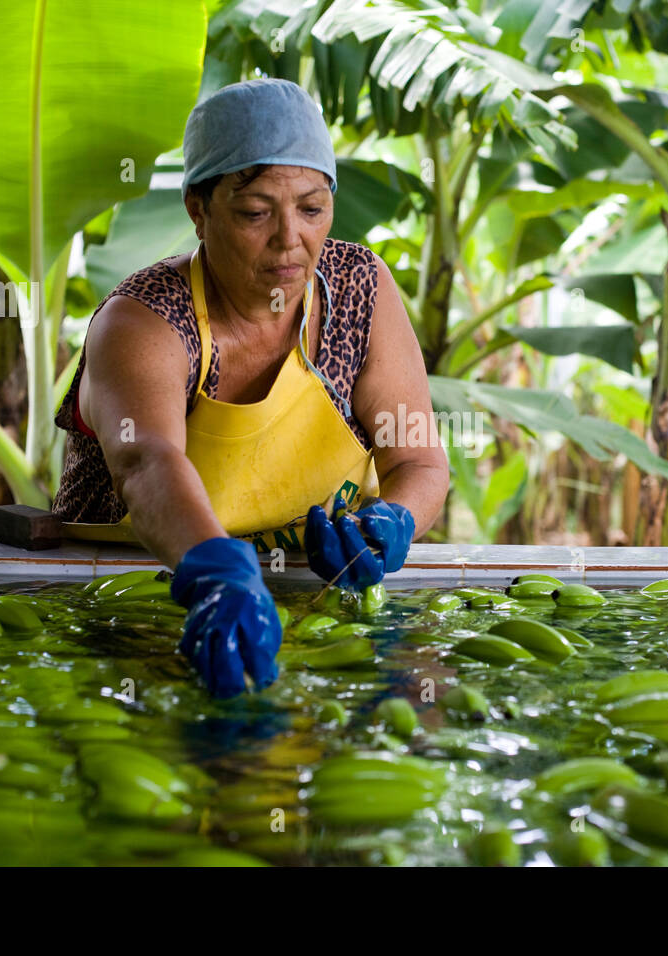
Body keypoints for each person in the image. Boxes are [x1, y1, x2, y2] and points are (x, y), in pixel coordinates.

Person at [50, 78, 449, 697]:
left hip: (312, 598)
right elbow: (145, 459)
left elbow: (419, 458)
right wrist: (218, 572)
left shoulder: (359, 290)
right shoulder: (144, 318)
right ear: (198, 210)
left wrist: (395, 519)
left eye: (312, 209)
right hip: (132, 594)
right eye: (255, 213)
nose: (290, 239)